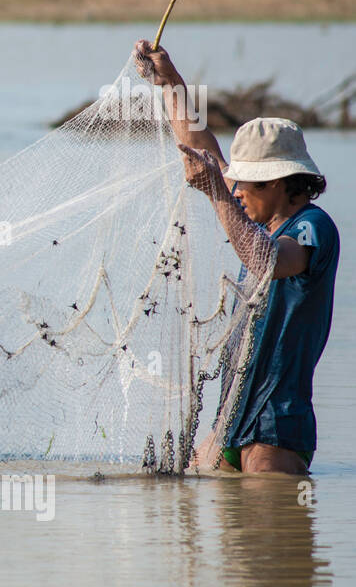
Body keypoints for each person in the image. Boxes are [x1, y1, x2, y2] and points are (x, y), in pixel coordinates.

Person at [135, 40, 339, 474]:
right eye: (236, 182)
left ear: (285, 183)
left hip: (276, 429)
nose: (238, 191)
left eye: (250, 183)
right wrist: (170, 81)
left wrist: (214, 191)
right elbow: (203, 150)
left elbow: (268, 261)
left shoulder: (312, 228)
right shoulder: (255, 217)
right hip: (231, 422)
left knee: (267, 537)